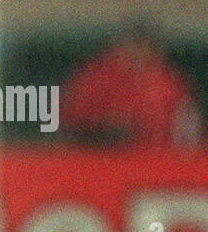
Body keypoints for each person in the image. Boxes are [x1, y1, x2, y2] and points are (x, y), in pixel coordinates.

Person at [59, 22, 203, 146]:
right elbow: (71, 127)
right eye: (131, 45)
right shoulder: (96, 78)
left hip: (158, 165)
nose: (137, 53)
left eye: (144, 46)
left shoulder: (171, 85)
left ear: (156, 50)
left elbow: (189, 137)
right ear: (118, 47)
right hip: (102, 162)